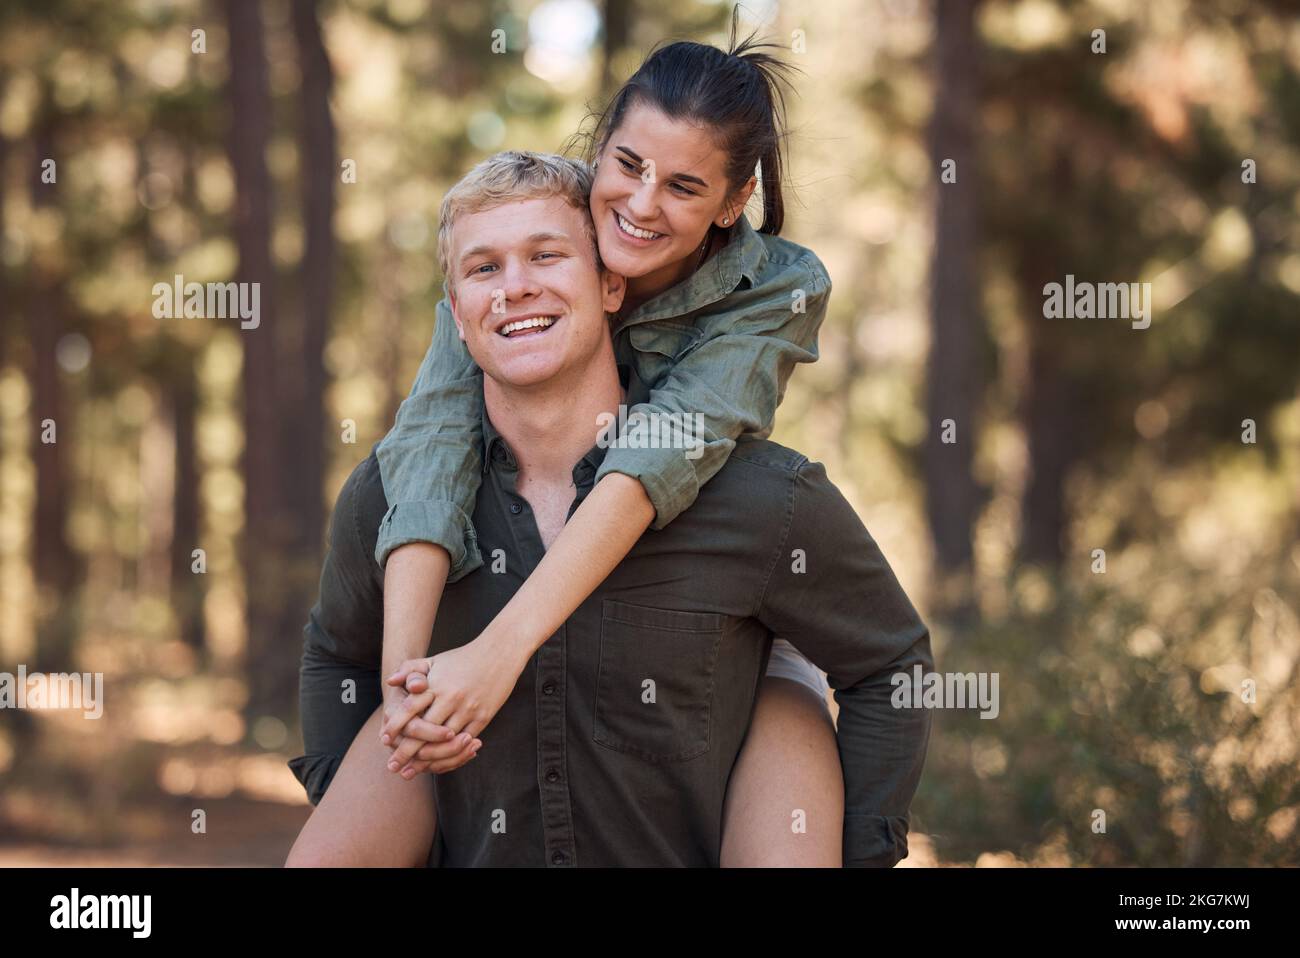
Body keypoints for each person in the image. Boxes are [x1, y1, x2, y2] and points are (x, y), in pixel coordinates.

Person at [287, 151, 932, 866]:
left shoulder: (757, 498)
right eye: (483, 268)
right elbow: (336, 657)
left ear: (609, 285)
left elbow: (889, 663)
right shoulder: (388, 499)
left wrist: (859, 852)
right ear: (457, 316)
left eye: (546, 255)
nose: (516, 287)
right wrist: (359, 800)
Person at [368, 21, 850, 865]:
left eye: (684, 186)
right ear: (602, 149)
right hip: (548, 578)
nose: (639, 203)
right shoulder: (544, 242)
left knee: (783, 730)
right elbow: (437, 432)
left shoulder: (777, 288)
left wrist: (500, 650)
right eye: (626, 165)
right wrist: (404, 677)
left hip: (705, 611)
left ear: (732, 204)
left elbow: (657, 453)